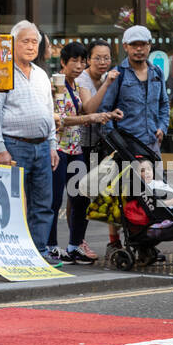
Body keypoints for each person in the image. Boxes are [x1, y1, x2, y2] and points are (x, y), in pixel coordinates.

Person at [0, 20, 62, 265]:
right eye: (26, 41)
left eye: (35, 41)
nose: (32, 46)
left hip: (42, 146)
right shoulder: (3, 73)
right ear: (12, 43)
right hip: (15, 145)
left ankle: (39, 252)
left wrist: (53, 145)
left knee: (43, 203)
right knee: (9, 204)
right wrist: (0, 148)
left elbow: (49, 110)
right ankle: (12, 255)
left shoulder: (42, 74)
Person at [51, 41, 114, 264]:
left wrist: (103, 114)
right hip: (58, 149)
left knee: (80, 198)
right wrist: (89, 118)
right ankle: (50, 247)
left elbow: (84, 110)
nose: (79, 66)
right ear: (63, 62)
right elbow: (60, 118)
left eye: (81, 61)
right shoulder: (54, 84)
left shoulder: (77, 86)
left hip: (75, 148)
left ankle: (74, 245)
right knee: (54, 200)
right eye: (73, 61)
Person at [76, 40, 125, 251]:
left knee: (109, 192)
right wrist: (107, 84)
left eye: (107, 58)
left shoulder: (112, 76)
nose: (103, 62)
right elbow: (89, 109)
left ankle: (114, 240)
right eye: (98, 58)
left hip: (104, 144)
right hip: (82, 146)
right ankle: (77, 241)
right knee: (80, 195)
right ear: (88, 60)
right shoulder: (82, 80)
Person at [99, 25, 170, 162]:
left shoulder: (157, 72)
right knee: (131, 183)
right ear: (125, 46)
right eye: (134, 45)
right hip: (127, 145)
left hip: (152, 143)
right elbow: (104, 110)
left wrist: (162, 127)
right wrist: (115, 142)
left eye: (143, 44)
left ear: (149, 46)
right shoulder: (118, 74)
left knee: (157, 182)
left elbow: (164, 103)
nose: (139, 49)